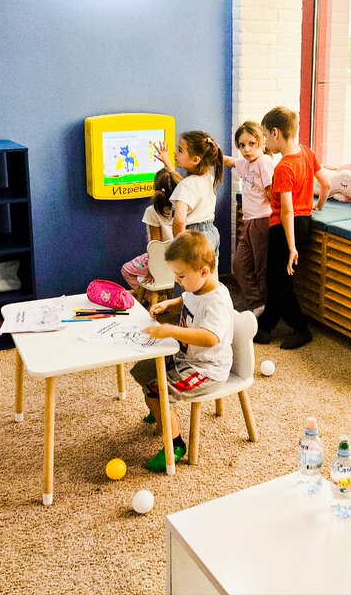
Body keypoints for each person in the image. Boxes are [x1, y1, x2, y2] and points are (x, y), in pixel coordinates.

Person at [130, 231, 234, 472]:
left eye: (181, 275)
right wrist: (169, 304)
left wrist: (170, 331)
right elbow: (186, 299)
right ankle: (159, 411)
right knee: (144, 369)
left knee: (157, 392)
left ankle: (175, 445)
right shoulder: (197, 289)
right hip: (185, 356)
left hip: (207, 369)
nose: (177, 280)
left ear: (204, 272)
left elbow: (210, 338)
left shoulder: (217, 301)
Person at [254, 106, 330, 349]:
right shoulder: (307, 153)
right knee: (278, 278)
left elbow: (286, 210)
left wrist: (291, 247)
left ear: (276, 133)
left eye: (265, 135)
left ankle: (301, 328)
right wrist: (318, 205)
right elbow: (326, 184)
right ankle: (266, 326)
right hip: (303, 223)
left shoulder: (284, 168)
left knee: (279, 281)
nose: (265, 141)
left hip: (284, 229)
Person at [223, 121, 274, 317]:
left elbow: (272, 193)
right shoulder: (246, 163)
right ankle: (258, 303)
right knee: (240, 265)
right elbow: (229, 161)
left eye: (252, 144)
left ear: (262, 142)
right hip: (249, 221)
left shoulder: (263, 162)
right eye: (242, 145)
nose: (246, 149)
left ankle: (265, 309)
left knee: (261, 267)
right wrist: (212, 150)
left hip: (262, 220)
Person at [154, 131, 224, 255]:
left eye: (180, 150)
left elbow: (179, 221)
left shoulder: (186, 185)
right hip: (211, 234)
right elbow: (187, 188)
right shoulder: (208, 178)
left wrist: (179, 246)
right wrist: (168, 164)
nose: (175, 152)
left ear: (195, 160)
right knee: (209, 267)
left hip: (193, 240)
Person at [120, 169, 177, 293]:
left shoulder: (152, 211)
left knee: (126, 269)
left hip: (160, 262)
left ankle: (148, 297)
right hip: (178, 259)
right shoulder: (182, 208)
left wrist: (152, 270)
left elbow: (156, 247)